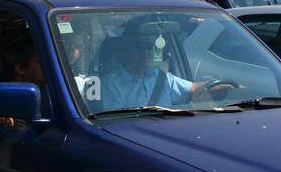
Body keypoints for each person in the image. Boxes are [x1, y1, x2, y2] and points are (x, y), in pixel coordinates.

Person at [95, 25, 233, 111]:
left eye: (149, 47)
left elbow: (193, 88)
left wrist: (229, 87)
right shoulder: (110, 84)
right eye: (138, 46)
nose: (146, 51)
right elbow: (115, 125)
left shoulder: (160, 76)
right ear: (124, 50)